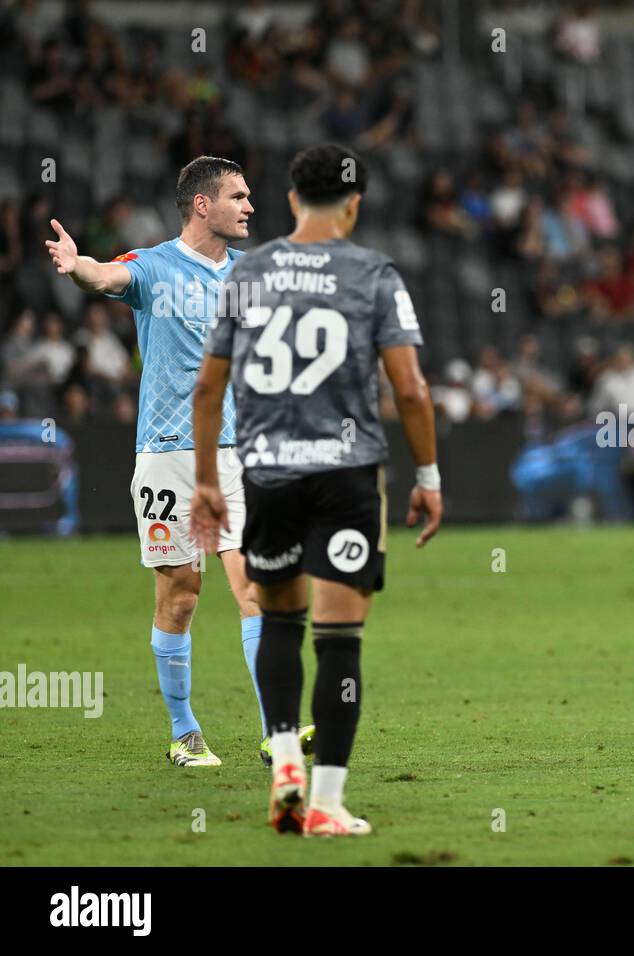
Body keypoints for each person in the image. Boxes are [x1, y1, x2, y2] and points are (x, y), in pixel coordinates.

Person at [191, 144, 443, 837]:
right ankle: (327, 802)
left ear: (294, 201)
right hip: (347, 478)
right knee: (339, 642)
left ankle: (284, 768)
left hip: (267, 472)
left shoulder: (248, 271)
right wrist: (427, 477)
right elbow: (412, 390)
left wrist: (209, 481)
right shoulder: (373, 273)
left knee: (277, 622)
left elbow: (209, 385)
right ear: (354, 204)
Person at [44, 156, 304, 767]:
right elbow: (104, 278)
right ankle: (184, 731)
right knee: (181, 596)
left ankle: (277, 732)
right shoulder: (154, 266)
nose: (249, 207)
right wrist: (76, 265)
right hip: (165, 458)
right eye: (238, 197)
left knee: (254, 589)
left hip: (233, 457)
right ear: (201, 205)